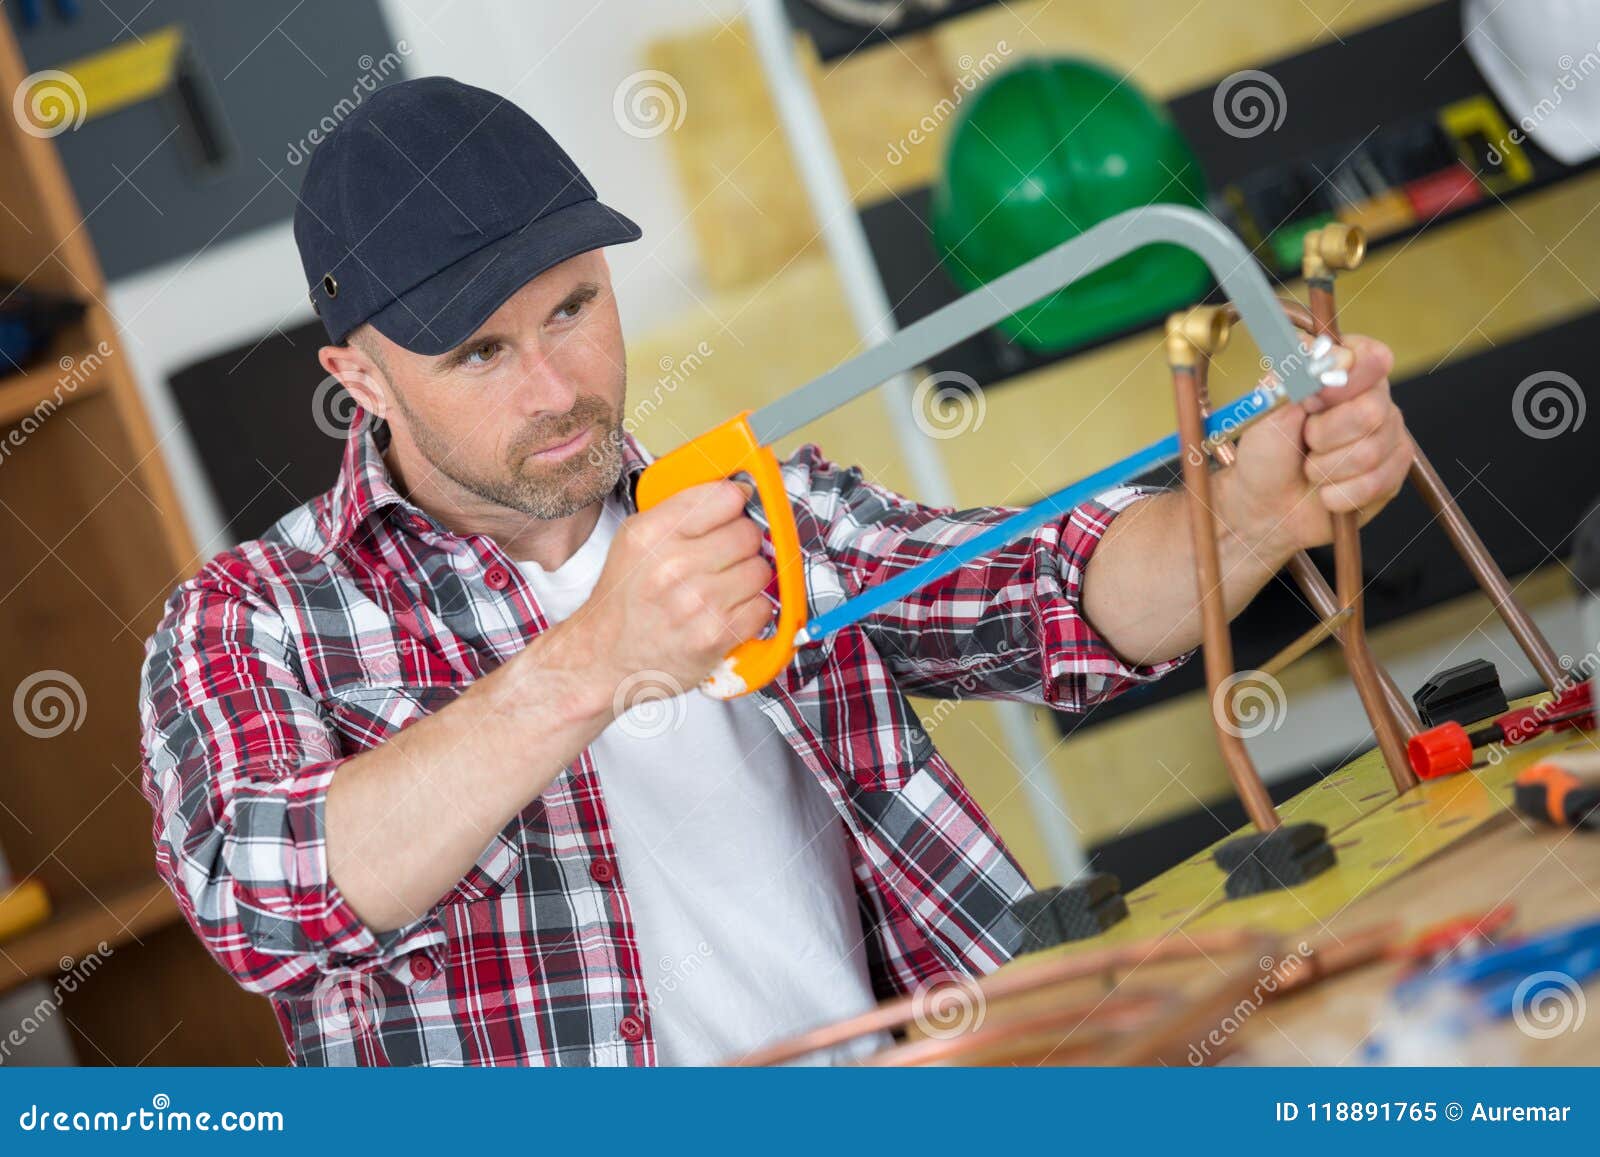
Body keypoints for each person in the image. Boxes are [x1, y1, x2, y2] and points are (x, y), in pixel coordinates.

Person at [138, 77, 1412, 1066]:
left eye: (575, 309)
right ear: (358, 379)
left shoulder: (749, 503)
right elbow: (268, 905)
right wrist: (597, 657)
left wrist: (1246, 514)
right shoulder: (250, 620)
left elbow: (1044, 597)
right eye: (479, 354)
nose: (557, 390)